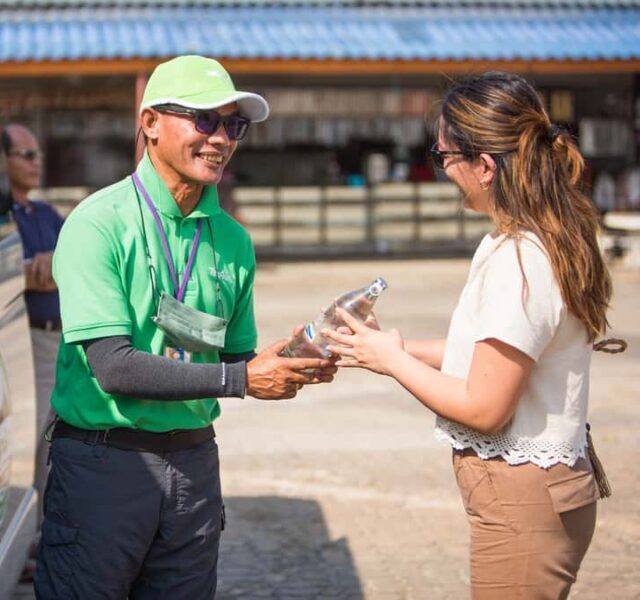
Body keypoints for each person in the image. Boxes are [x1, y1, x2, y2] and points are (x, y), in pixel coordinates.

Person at [34, 55, 336, 599]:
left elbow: (231, 362)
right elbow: (112, 367)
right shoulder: (98, 224)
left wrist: (292, 357)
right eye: (204, 120)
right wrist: (241, 381)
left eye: (233, 126)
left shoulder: (233, 241)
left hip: (195, 464)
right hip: (105, 465)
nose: (221, 138)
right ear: (149, 123)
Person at [323, 72, 612, 599]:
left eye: (443, 157)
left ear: (484, 166)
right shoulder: (535, 239)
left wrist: (392, 361)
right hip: (539, 493)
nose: (443, 172)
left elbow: (484, 407)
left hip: (523, 500)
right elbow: (493, 357)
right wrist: (390, 347)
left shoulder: (521, 259)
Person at [2, 123, 63, 517]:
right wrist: (36, 269)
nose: (36, 162)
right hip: (24, 343)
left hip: (62, 340)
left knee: (56, 443)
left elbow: (77, 267)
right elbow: (20, 277)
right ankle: (23, 537)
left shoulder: (45, 213)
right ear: (1, 161)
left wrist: (52, 267)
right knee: (28, 445)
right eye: (26, 154)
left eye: (37, 154)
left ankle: (43, 535)